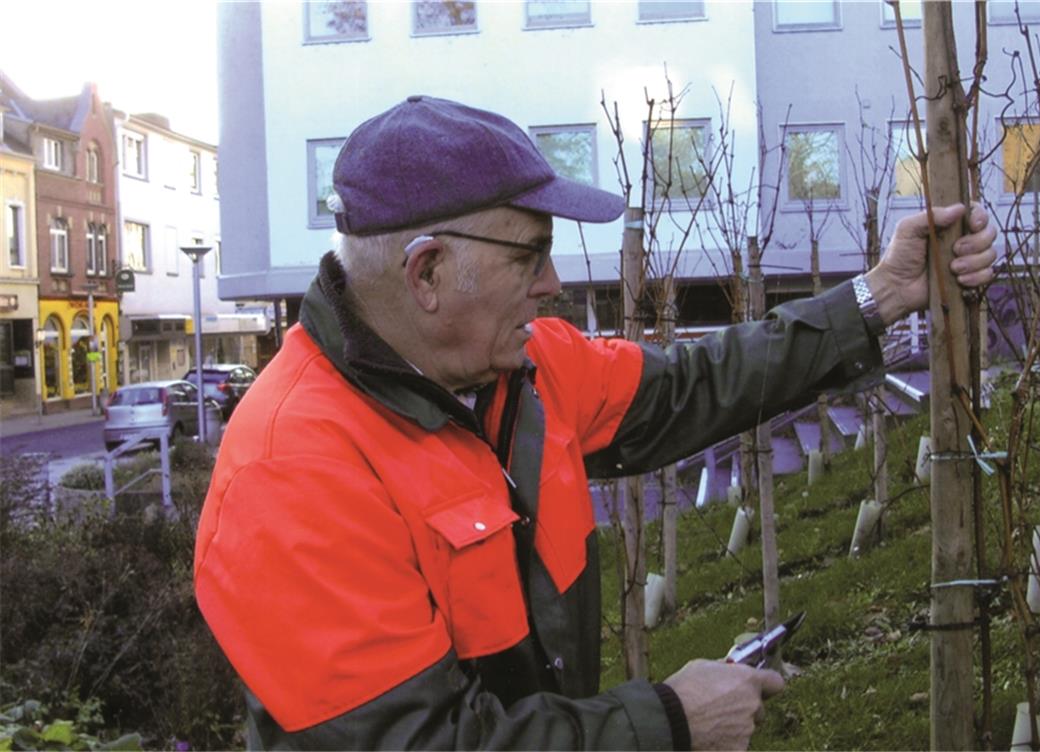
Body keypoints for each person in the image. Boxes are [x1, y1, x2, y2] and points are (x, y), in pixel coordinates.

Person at [193, 95, 997, 750]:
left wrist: (881, 294)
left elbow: (698, 383)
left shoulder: (527, 369)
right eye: (528, 254)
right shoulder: (292, 472)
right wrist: (671, 721)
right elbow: (422, 742)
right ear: (428, 271)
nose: (551, 282)